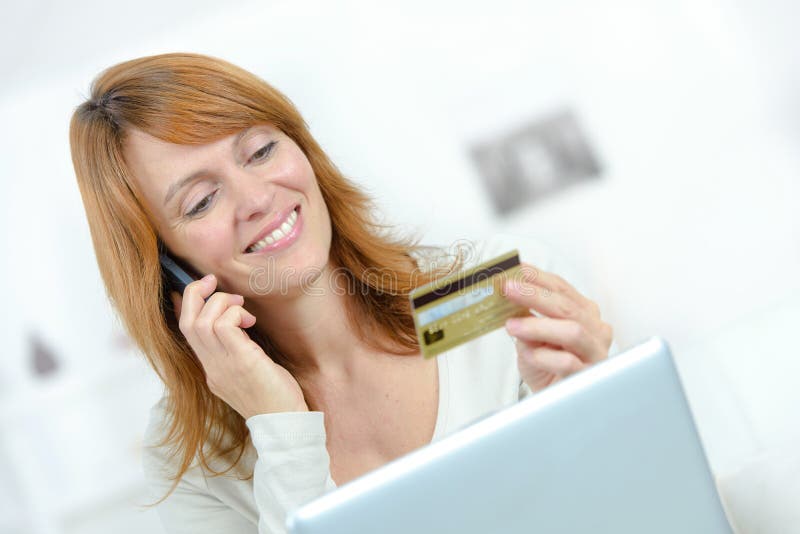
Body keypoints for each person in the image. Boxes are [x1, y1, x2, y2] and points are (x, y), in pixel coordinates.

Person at [69, 52, 614, 534]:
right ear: (166, 267)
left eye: (259, 152)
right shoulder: (192, 458)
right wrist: (279, 429)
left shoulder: (502, 293)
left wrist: (588, 406)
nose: (257, 198)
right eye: (201, 201)